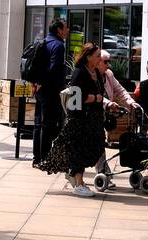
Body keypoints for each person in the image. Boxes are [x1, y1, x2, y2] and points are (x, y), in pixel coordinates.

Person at [34, 43, 106, 197]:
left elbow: (101, 92)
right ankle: (78, 183)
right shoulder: (79, 73)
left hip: (93, 120)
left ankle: (74, 176)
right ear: (88, 57)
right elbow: (75, 98)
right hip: (80, 119)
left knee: (94, 148)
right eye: (98, 56)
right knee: (79, 150)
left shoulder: (96, 73)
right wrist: (95, 98)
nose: (100, 59)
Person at [95, 49, 142, 184]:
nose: (108, 65)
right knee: (95, 143)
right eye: (105, 62)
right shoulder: (92, 75)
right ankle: (102, 174)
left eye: (109, 61)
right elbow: (94, 95)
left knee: (97, 143)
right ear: (98, 62)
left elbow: (120, 90)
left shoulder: (108, 74)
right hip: (91, 113)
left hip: (101, 115)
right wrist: (107, 103)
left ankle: (103, 174)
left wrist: (131, 102)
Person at [31, 18, 69, 163]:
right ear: (59, 30)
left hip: (40, 89)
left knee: (38, 123)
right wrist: (42, 82)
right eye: (65, 28)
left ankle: (37, 157)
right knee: (48, 125)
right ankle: (45, 158)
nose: (67, 30)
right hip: (50, 90)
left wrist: (36, 82)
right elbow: (54, 69)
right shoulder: (58, 45)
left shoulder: (42, 42)